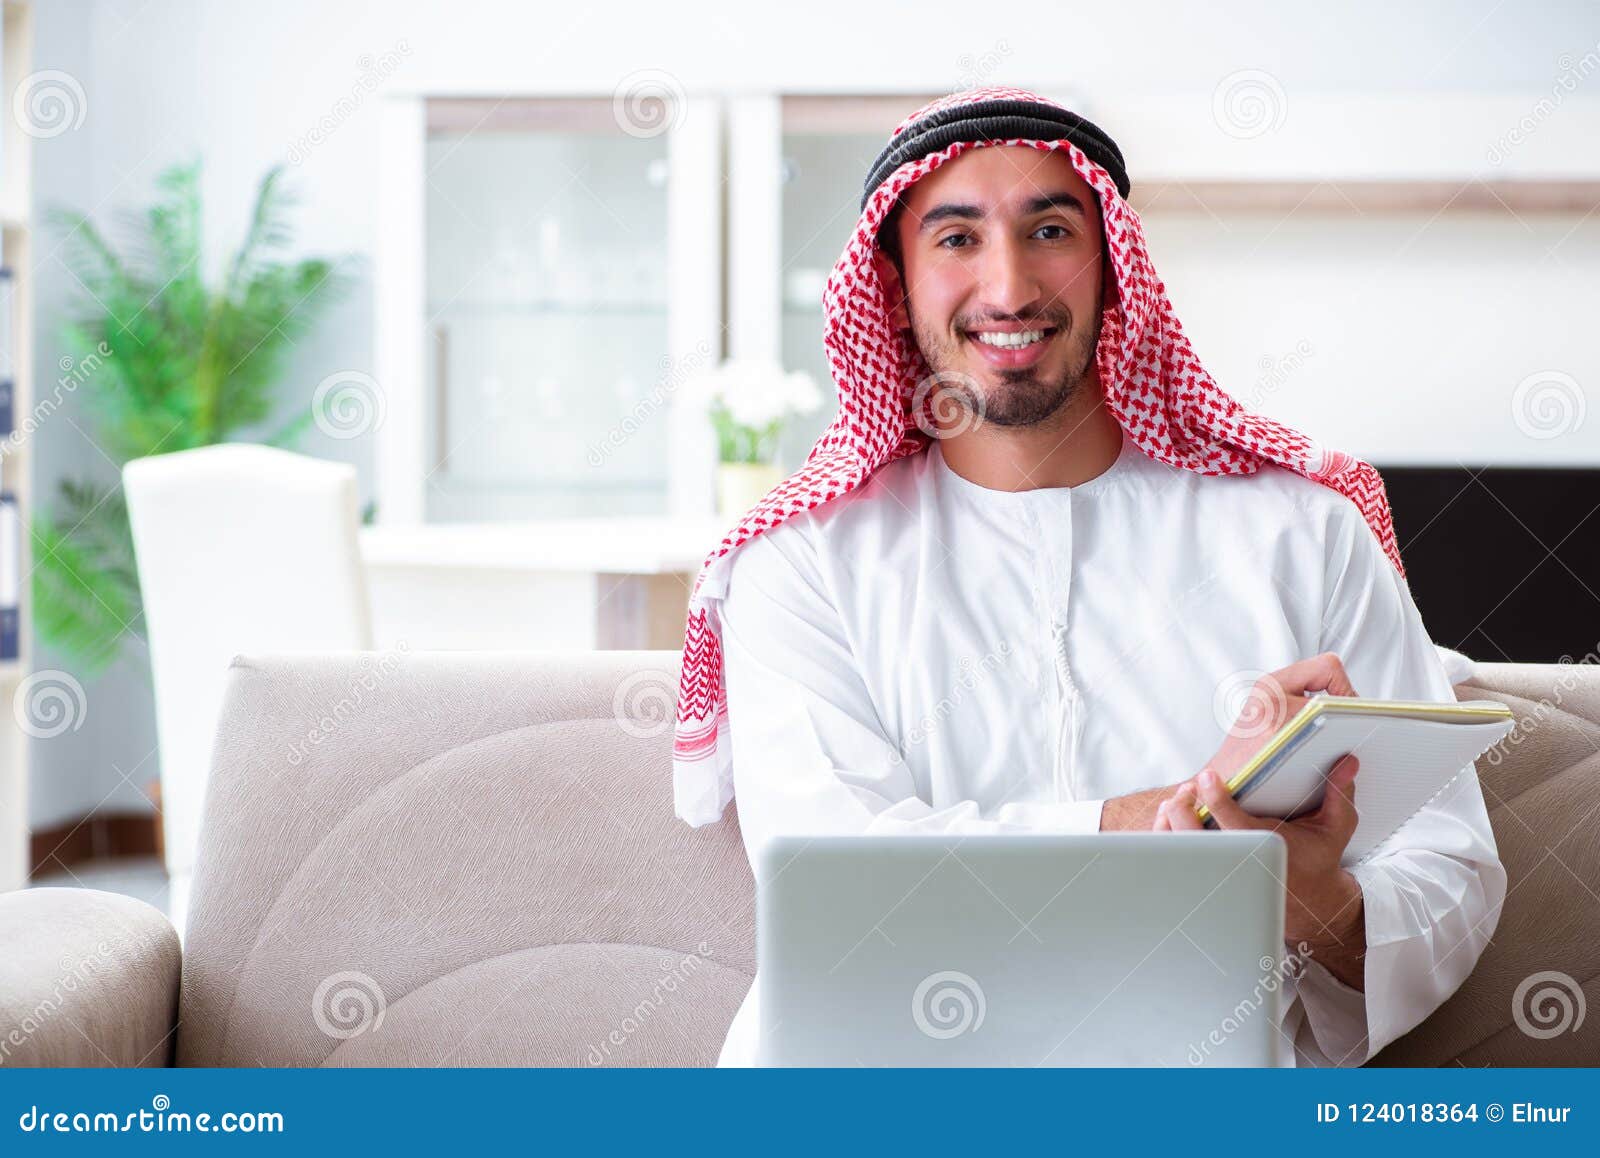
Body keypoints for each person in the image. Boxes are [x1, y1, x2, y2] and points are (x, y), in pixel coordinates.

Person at [670, 87, 1503, 1067]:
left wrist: (1311, 900)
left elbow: (1448, 863)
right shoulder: (800, 561)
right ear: (891, 288)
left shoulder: (1301, 534)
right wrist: (1184, 832)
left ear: (1113, 268)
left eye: (1049, 229)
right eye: (955, 238)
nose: (1010, 286)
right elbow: (845, 881)